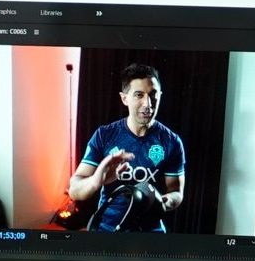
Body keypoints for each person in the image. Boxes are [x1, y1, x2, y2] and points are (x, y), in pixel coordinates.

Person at [68, 64, 185, 231]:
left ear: (160, 95)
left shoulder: (172, 141)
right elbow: (74, 190)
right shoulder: (104, 135)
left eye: (153, 94)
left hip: (150, 231)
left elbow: (176, 191)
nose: (148, 104)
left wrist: (163, 202)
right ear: (124, 98)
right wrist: (96, 181)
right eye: (139, 95)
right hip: (107, 229)